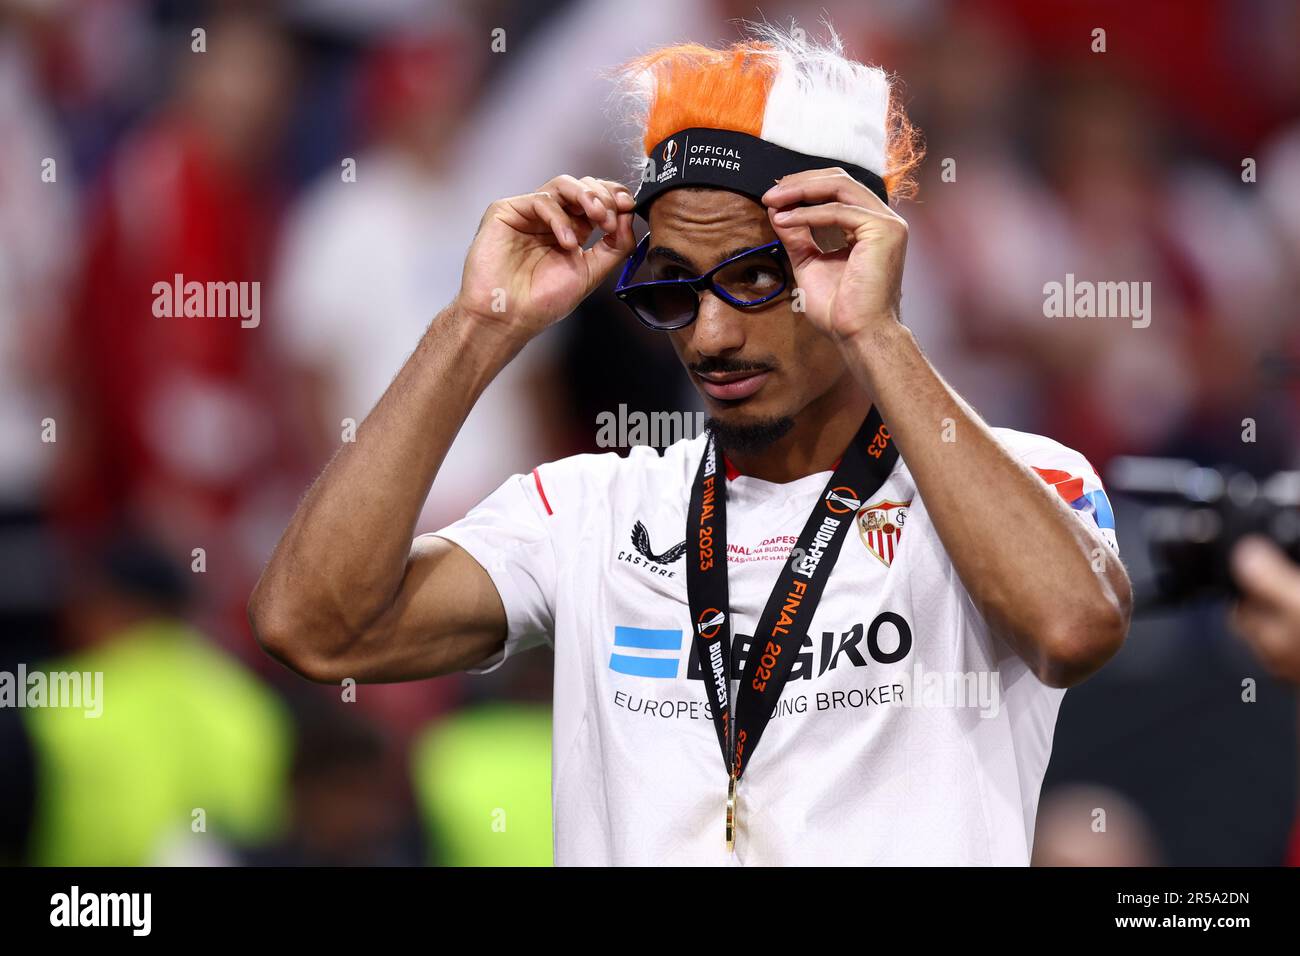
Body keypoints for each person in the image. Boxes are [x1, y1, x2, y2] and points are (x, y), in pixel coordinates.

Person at [250, 24, 1132, 865]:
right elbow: (314, 630)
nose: (708, 337)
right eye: (674, 287)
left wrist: (879, 332)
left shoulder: (1028, 477)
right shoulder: (589, 509)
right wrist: (478, 326)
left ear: (854, 252)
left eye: (752, 278)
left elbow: (1071, 627)